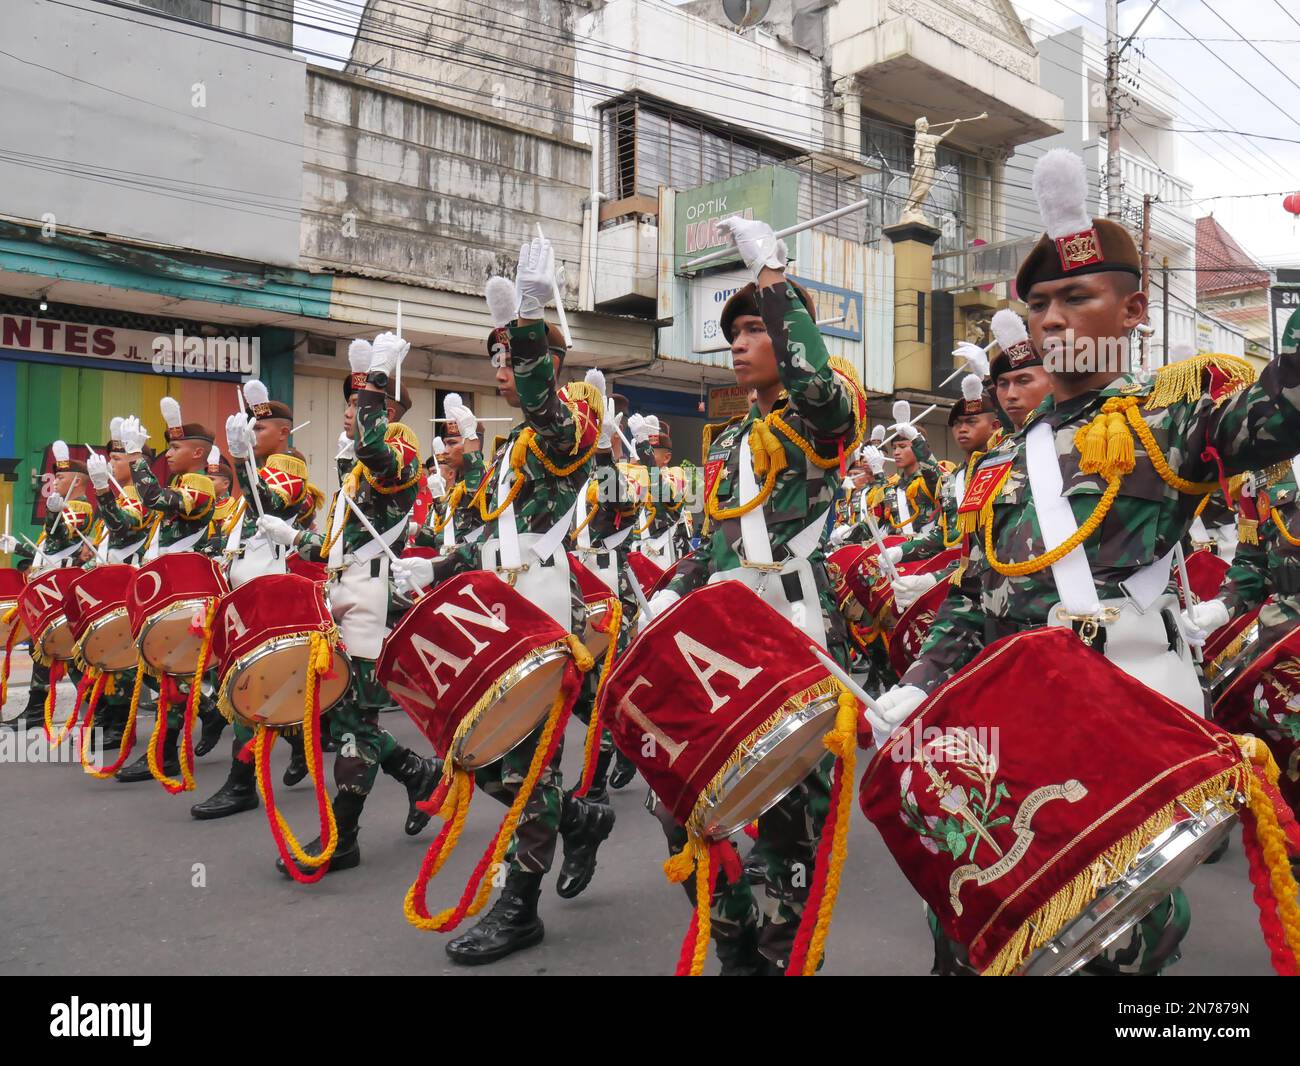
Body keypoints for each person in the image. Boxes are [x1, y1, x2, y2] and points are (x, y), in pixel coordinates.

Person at [872, 147, 1300, 975]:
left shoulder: (1165, 425)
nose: (1054, 319)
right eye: (1040, 304)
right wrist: (919, 680)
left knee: (1111, 947)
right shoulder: (1001, 463)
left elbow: (1288, 405)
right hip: (1011, 722)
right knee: (974, 928)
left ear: (1133, 308)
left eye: (1077, 296)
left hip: (1116, 721)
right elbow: (975, 595)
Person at [646, 215, 859, 974]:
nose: (737, 344)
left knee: (788, 823)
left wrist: (775, 286)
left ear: (787, 333)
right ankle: (732, 932)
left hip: (794, 629)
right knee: (679, 794)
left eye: (754, 330)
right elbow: (715, 543)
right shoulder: (730, 440)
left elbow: (819, 387)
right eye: (731, 332)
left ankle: (773, 958)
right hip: (724, 634)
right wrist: (673, 590)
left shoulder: (826, 417)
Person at [392, 239, 612, 964]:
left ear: (547, 363)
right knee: (484, 756)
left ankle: (520, 906)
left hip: (543, 613)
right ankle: (580, 821)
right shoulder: (509, 450)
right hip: (493, 609)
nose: (502, 370)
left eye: (512, 356)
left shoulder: (570, 422)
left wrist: (530, 320)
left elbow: (550, 409)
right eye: (495, 357)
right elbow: (493, 534)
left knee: (529, 764)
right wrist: (438, 569)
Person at [257, 335, 440, 874]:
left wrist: (376, 383)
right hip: (342, 597)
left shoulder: (398, 450)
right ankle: (415, 773)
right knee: (343, 715)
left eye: (356, 405)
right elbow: (341, 548)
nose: (348, 415)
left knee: (354, 725)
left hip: (370, 603)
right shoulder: (353, 478)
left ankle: (343, 836)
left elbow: (373, 449)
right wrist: (291, 540)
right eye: (347, 404)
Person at [191, 380, 314, 817]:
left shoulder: (288, 473)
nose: (253, 431)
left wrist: (242, 460)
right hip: (244, 600)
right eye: (251, 426)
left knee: (249, 687)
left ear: (283, 432)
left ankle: (242, 784)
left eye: (261, 427)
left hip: (269, 603)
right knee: (255, 686)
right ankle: (302, 741)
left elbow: (274, 504)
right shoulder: (246, 492)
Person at [113, 400, 219, 784]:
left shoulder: (200, 484)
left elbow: (153, 499)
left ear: (198, 453)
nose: (168, 455)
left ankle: (165, 752)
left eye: (174, 449)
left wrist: (137, 456)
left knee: (172, 671)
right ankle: (209, 713)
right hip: (170, 589)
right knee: (167, 671)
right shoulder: (181, 482)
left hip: (186, 592)